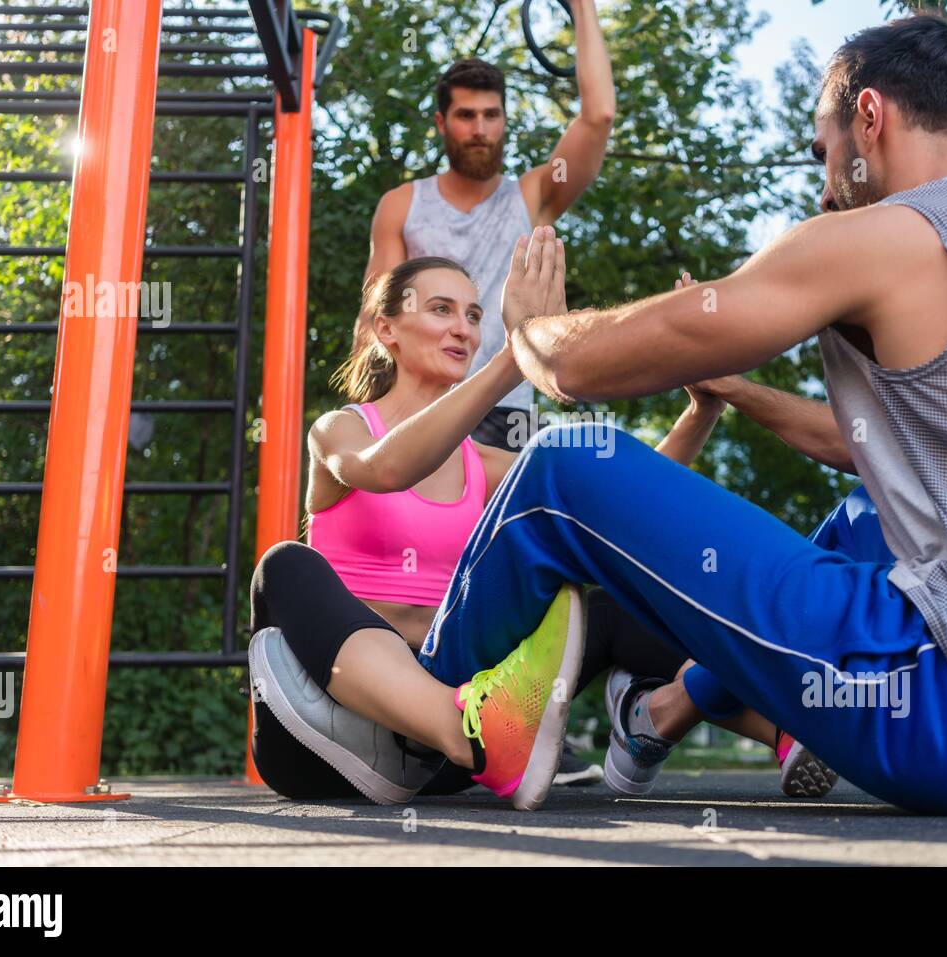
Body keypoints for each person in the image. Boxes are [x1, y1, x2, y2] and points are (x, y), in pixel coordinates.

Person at [410, 11, 947, 814]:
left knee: (565, 467)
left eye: (826, 153)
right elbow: (884, 450)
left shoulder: (879, 236)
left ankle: (405, 724)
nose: (826, 187)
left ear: (870, 117)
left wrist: (528, 327)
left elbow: (575, 369)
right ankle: (655, 713)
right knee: (871, 517)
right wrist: (738, 389)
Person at [248, 256, 833, 805]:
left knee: (616, 598)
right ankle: (465, 732)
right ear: (387, 329)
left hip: (442, 749)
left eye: (475, 315)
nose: (464, 328)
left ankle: (790, 728)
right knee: (283, 565)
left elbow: (618, 503)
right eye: (441, 309)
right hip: (324, 739)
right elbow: (388, 467)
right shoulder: (339, 432)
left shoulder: (482, 464)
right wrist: (517, 352)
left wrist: (704, 406)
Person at [354, 3, 614, 453]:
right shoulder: (402, 205)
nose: (480, 129)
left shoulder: (534, 196)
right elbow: (375, 320)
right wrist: (367, 417)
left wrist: (583, 7)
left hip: (505, 407)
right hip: (420, 405)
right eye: (466, 115)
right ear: (442, 123)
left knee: (502, 524)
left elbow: (599, 117)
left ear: (504, 121)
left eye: (491, 115)